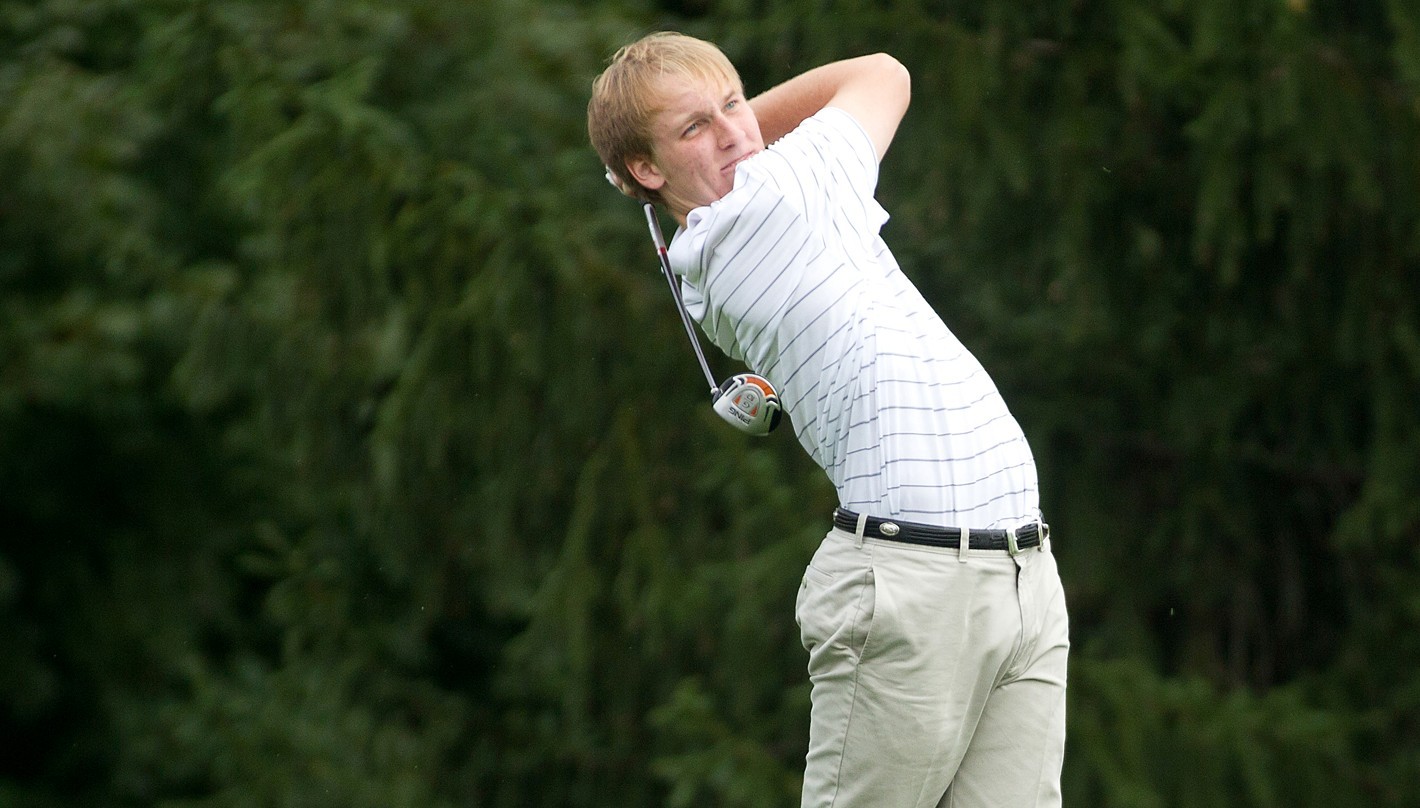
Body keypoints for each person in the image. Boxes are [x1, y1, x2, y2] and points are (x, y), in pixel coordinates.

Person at [588, 32, 1070, 808]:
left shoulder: (760, 200)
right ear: (646, 169)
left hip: (1019, 572)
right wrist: (737, 133)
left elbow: (740, 141)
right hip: (912, 583)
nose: (734, 133)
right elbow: (884, 72)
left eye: (734, 104)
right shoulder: (768, 205)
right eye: (692, 130)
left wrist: (700, 140)